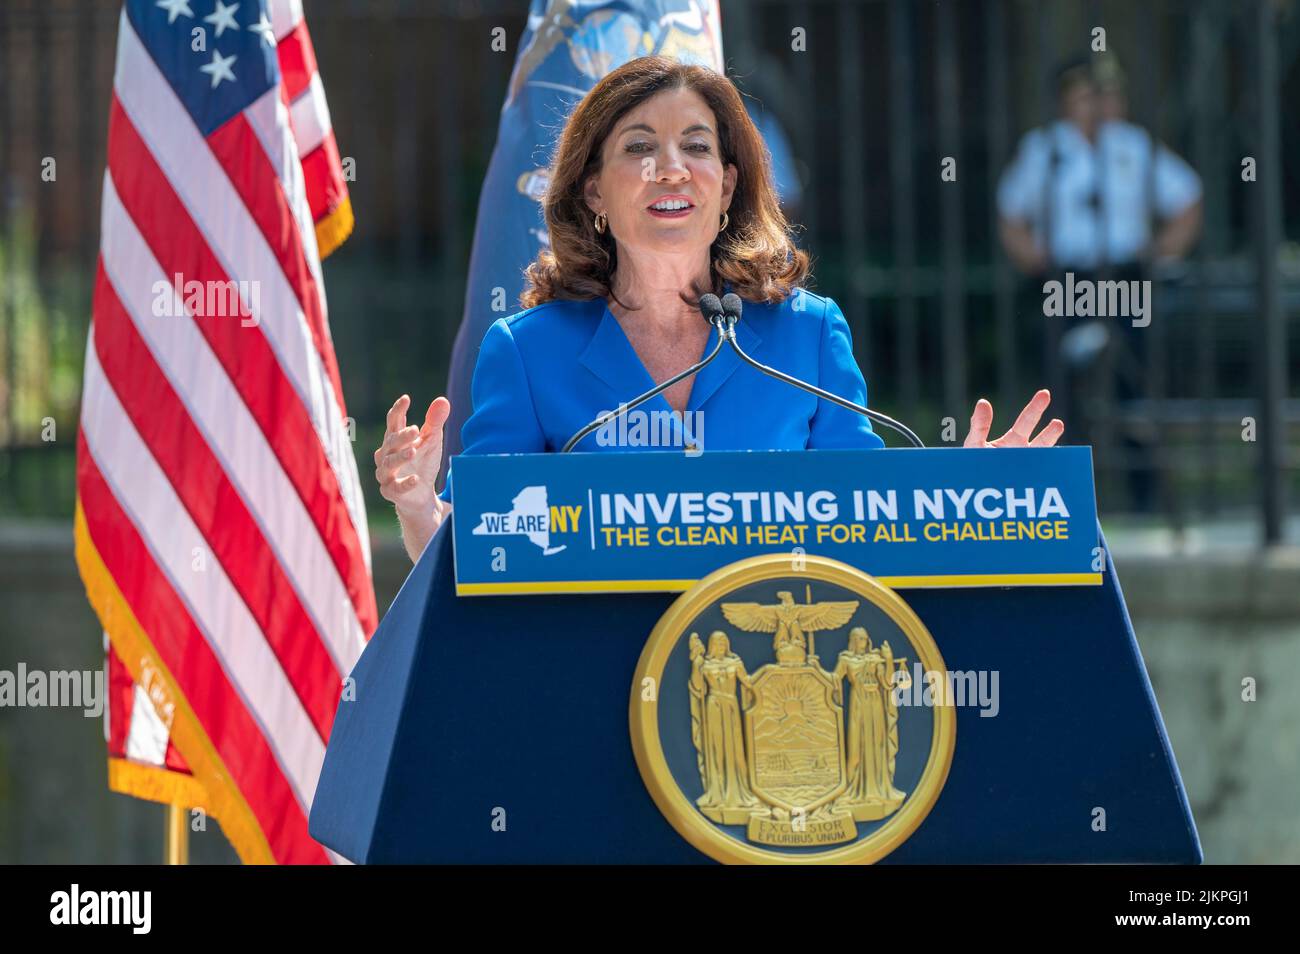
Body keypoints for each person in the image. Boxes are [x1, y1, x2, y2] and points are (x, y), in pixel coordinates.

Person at [378, 56, 1065, 563]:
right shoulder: (526, 352)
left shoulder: (808, 335)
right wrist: (418, 508)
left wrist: (974, 505)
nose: (671, 168)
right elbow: (484, 556)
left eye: (697, 147)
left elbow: (870, 534)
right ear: (593, 191)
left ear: (728, 184)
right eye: (640, 147)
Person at [996, 55, 1201, 511]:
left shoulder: (1134, 145)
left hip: (1126, 275)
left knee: (1137, 378)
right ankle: (1065, 491)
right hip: (1067, 279)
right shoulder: (1045, 148)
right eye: (1089, 95)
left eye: (1108, 95)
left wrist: (1161, 252)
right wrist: (1031, 256)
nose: (1102, 105)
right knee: (1060, 383)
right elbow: (1011, 213)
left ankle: (1144, 493)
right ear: (1068, 101)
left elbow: (1187, 198)